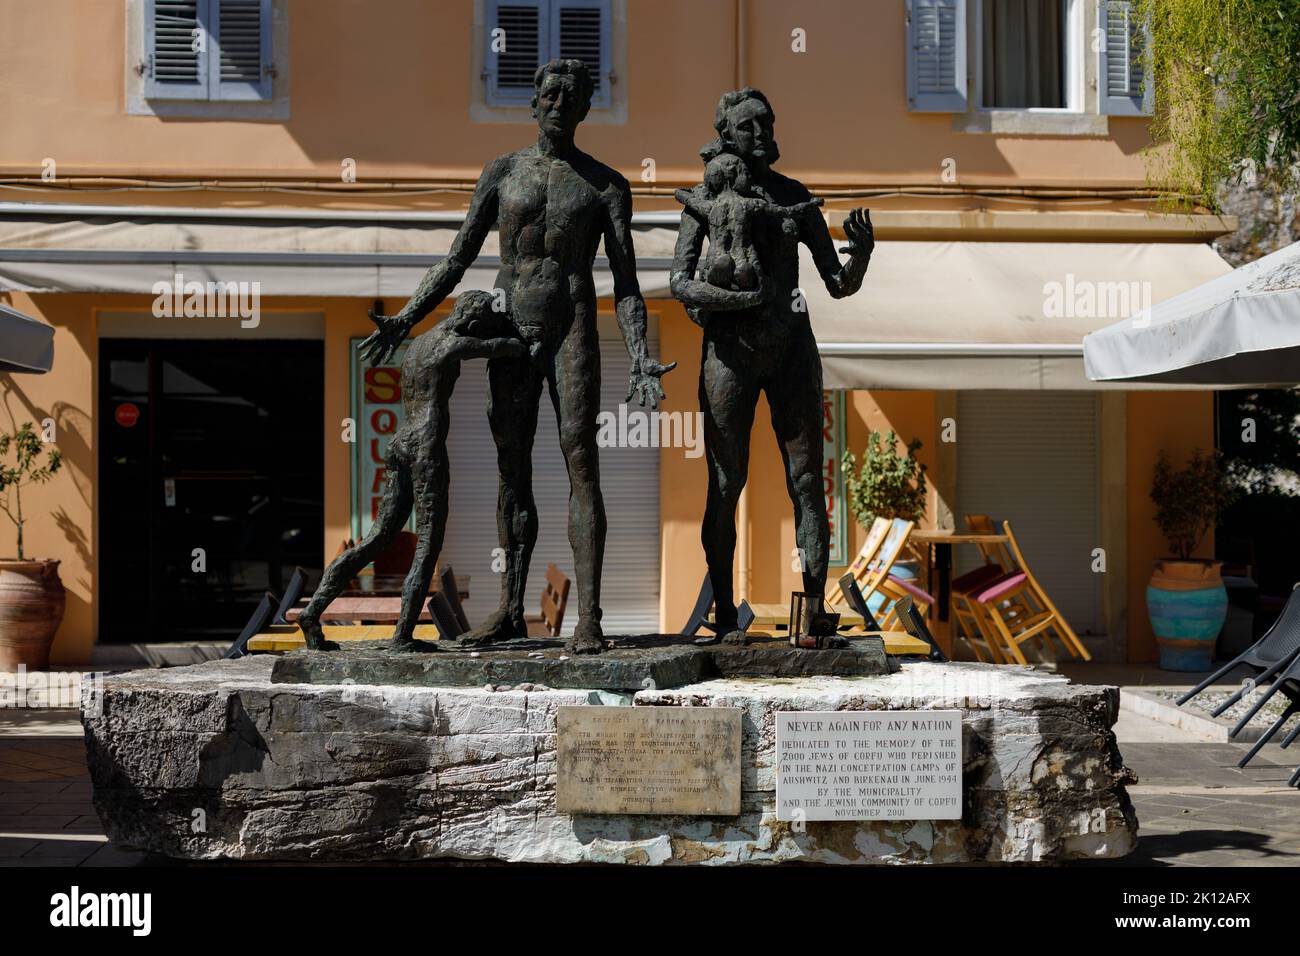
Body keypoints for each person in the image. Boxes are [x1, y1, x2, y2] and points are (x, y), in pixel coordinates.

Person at [353, 58, 673, 655]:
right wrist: (405, 316)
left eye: (570, 96)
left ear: (583, 109)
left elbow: (626, 283)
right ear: (533, 103)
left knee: (582, 462)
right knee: (511, 468)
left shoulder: (606, 186)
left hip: (573, 324)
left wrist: (637, 354)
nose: (558, 103)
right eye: (549, 93)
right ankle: (508, 608)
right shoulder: (503, 172)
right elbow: (456, 259)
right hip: (511, 326)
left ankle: (590, 619)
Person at [671, 87, 874, 645]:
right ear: (726, 136)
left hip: (791, 350)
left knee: (808, 482)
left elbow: (836, 285)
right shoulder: (705, 196)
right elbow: (679, 282)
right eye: (749, 127)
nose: (762, 133)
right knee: (723, 483)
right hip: (728, 354)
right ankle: (726, 619)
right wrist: (731, 302)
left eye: (768, 122)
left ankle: (812, 616)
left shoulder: (795, 197)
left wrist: (861, 255)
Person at [296, 292, 525, 651]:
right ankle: (402, 636)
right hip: (426, 447)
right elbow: (502, 347)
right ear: (474, 322)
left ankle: (312, 612)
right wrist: (523, 339)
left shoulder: (419, 343)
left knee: (376, 538)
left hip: (399, 441)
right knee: (429, 543)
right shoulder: (453, 343)